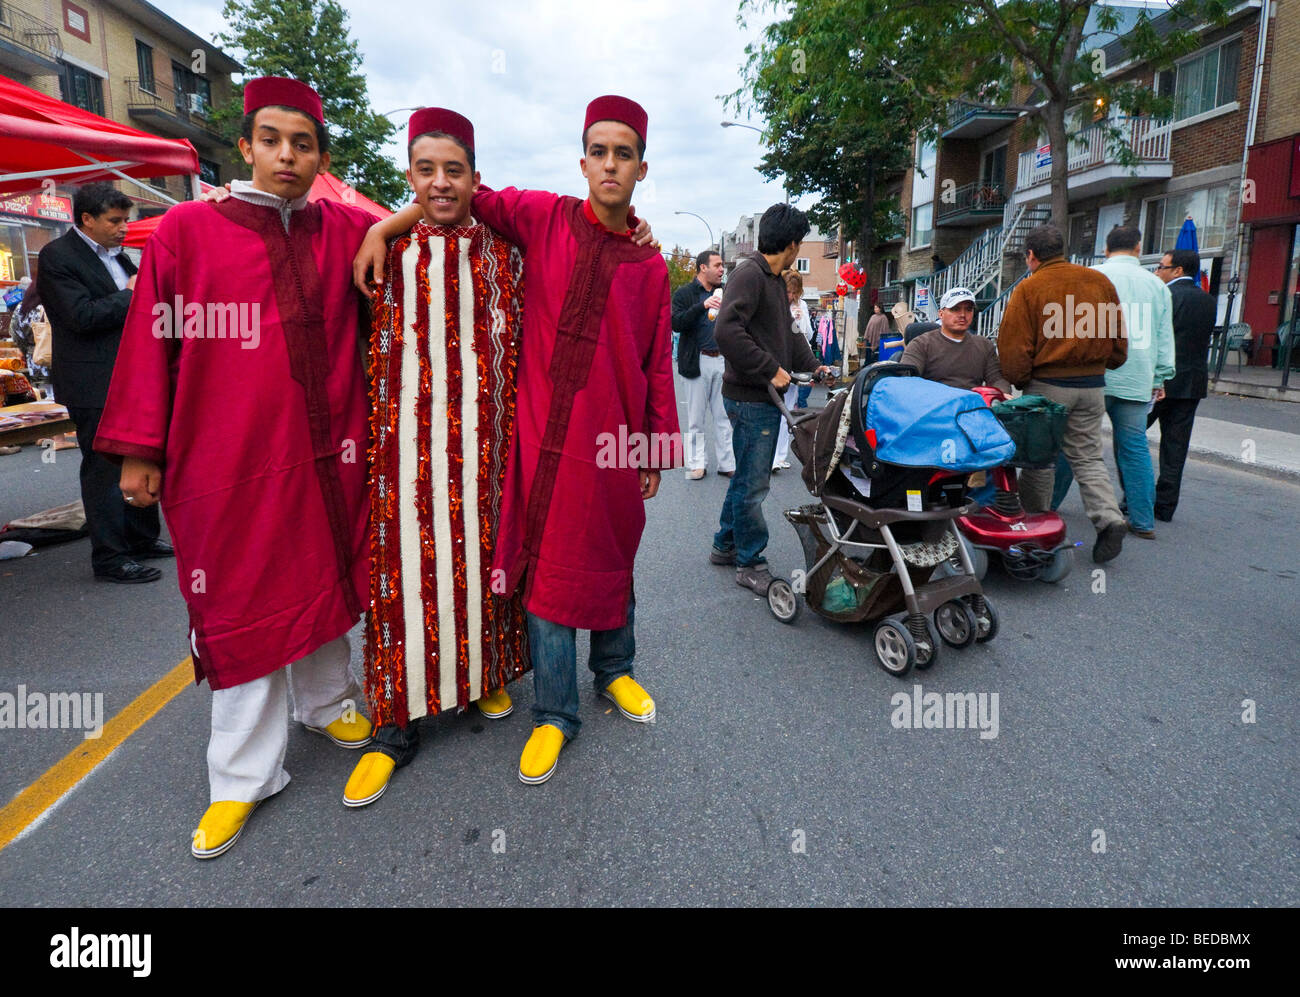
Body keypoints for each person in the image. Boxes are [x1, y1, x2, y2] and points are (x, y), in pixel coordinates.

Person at [356, 95, 679, 786]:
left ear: (642, 167)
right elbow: (460, 195)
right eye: (600, 151)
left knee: (615, 551)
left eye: (624, 154)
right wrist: (388, 223)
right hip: (541, 440)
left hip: (613, 441)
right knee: (552, 577)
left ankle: (615, 670)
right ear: (582, 161)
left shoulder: (651, 267)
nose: (611, 164)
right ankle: (555, 714)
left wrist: (654, 446)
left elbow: (657, 359)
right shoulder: (544, 215)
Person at [96, 77, 380, 858]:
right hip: (228, 455)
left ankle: (328, 701)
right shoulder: (188, 231)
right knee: (244, 599)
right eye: (272, 140)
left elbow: (430, 217)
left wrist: (392, 229)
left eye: (304, 143)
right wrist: (138, 448)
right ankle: (240, 778)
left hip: (327, 449)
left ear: (321, 155)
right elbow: (152, 343)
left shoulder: (340, 228)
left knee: (322, 577)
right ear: (247, 146)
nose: (287, 155)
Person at [341, 108, 531, 808]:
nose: (441, 183)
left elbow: (578, 246)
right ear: (409, 176)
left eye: (455, 170)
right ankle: (395, 724)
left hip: (487, 448)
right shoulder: (382, 253)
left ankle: (482, 680)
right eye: (427, 170)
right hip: (405, 452)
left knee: (482, 565)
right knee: (406, 580)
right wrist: (379, 226)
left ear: (477, 179)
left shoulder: (507, 250)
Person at [37, 183, 170, 583]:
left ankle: (142, 538)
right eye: (115, 221)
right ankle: (111, 557)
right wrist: (132, 295)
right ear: (87, 220)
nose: (124, 228)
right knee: (104, 469)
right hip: (92, 380)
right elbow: (80, 316)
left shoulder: (119, 257)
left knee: (140, 452)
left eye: (126, 219)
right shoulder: (57, 256)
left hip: (131, 377)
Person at [712, 203, 831, 593]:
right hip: (750, 398)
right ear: (794, 244)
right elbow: (726, 332)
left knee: (746, 477)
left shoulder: (776, 280)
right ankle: (750, 562)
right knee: (754, 483)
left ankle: (725, 544)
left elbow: (791, 337)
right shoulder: (750, 274)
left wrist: (814, 366)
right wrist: (768, 367)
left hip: (758, 396)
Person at [996, 223, 1129, 564]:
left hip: (1048, 385)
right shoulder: (1100, 283)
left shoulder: (1030, 289)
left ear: (1031, 255)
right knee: (1088, 457)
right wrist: (1103, 362)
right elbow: (1118, 343)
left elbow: (1014, 348)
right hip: (1092, 385)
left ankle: (1034, 526)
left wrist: (1018, 380)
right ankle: (1109, 518)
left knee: (1040, 459)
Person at [1052, 226, 1174, 539]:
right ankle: (1143, 520)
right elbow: (1163, 337)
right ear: (1138, 248)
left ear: (1106, 249)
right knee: (1134, 448)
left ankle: (1046, 508)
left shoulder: (1087, 277)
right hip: (1137, 377)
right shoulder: (1157, 285)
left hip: (1093, 376)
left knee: (1073, 444)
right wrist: (1160, 376)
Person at [1150, 248, 1214, 521]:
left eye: (1162, 267)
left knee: (1130, 440)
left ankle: (1134, 498)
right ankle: (1165, 506)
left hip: (1160, 382)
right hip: (1191, 383)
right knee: (1175, 447)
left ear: (1177, 270)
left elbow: (1156, 340)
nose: (1157, 272)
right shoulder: (1208, 301)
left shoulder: (1164, 296)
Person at [672, 249, 734, 480]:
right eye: (717, 265)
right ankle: (697, 463)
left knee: (723, 416)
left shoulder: (725, 292)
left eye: (722, 266)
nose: (721, 270)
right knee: (696, 419)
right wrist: (703, 306)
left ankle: (726, 463)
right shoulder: (685, 293)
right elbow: (676, 323)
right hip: (696, 361)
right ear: (702, 268)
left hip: (721, 359)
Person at [900, 286, 1012, 393]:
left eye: (968, 309)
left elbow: (997, 379)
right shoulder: (921, 344)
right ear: (941, 314)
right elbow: (906, 380)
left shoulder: (984, 345)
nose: (963, 315)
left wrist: (1002, 393)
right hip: (934, 407)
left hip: (973, 407)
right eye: (955, 309)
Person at [772, 269, 812, 470]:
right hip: (778, 362)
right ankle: (771, 455)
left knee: (787, 410)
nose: (792, 296)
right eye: (789, 291)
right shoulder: (775, 305)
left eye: (795, 292)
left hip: (796, 362)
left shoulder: (802, 305)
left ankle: (780, 455)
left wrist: (800, 318)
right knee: (774, 408)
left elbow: (808, 335)